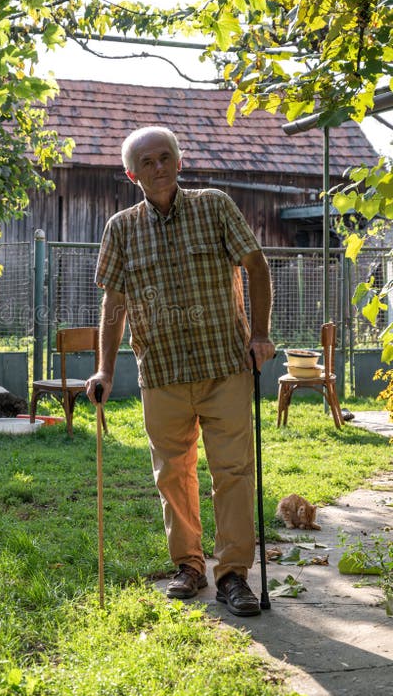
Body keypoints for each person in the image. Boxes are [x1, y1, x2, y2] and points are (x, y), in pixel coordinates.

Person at [86, 125, 275, 617]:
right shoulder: (121, 228)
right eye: (146, 162)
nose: (159, 166)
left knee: (232, 471)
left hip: (225, 364)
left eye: (165, 156)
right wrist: (104, 369)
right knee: (172, 474)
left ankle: (233, 574)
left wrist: (259, 334)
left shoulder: (214, 206)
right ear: (132, 174)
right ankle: (188, 565)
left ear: (179, 160)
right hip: (162, 371)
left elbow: (256, 265)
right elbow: (114, 301)